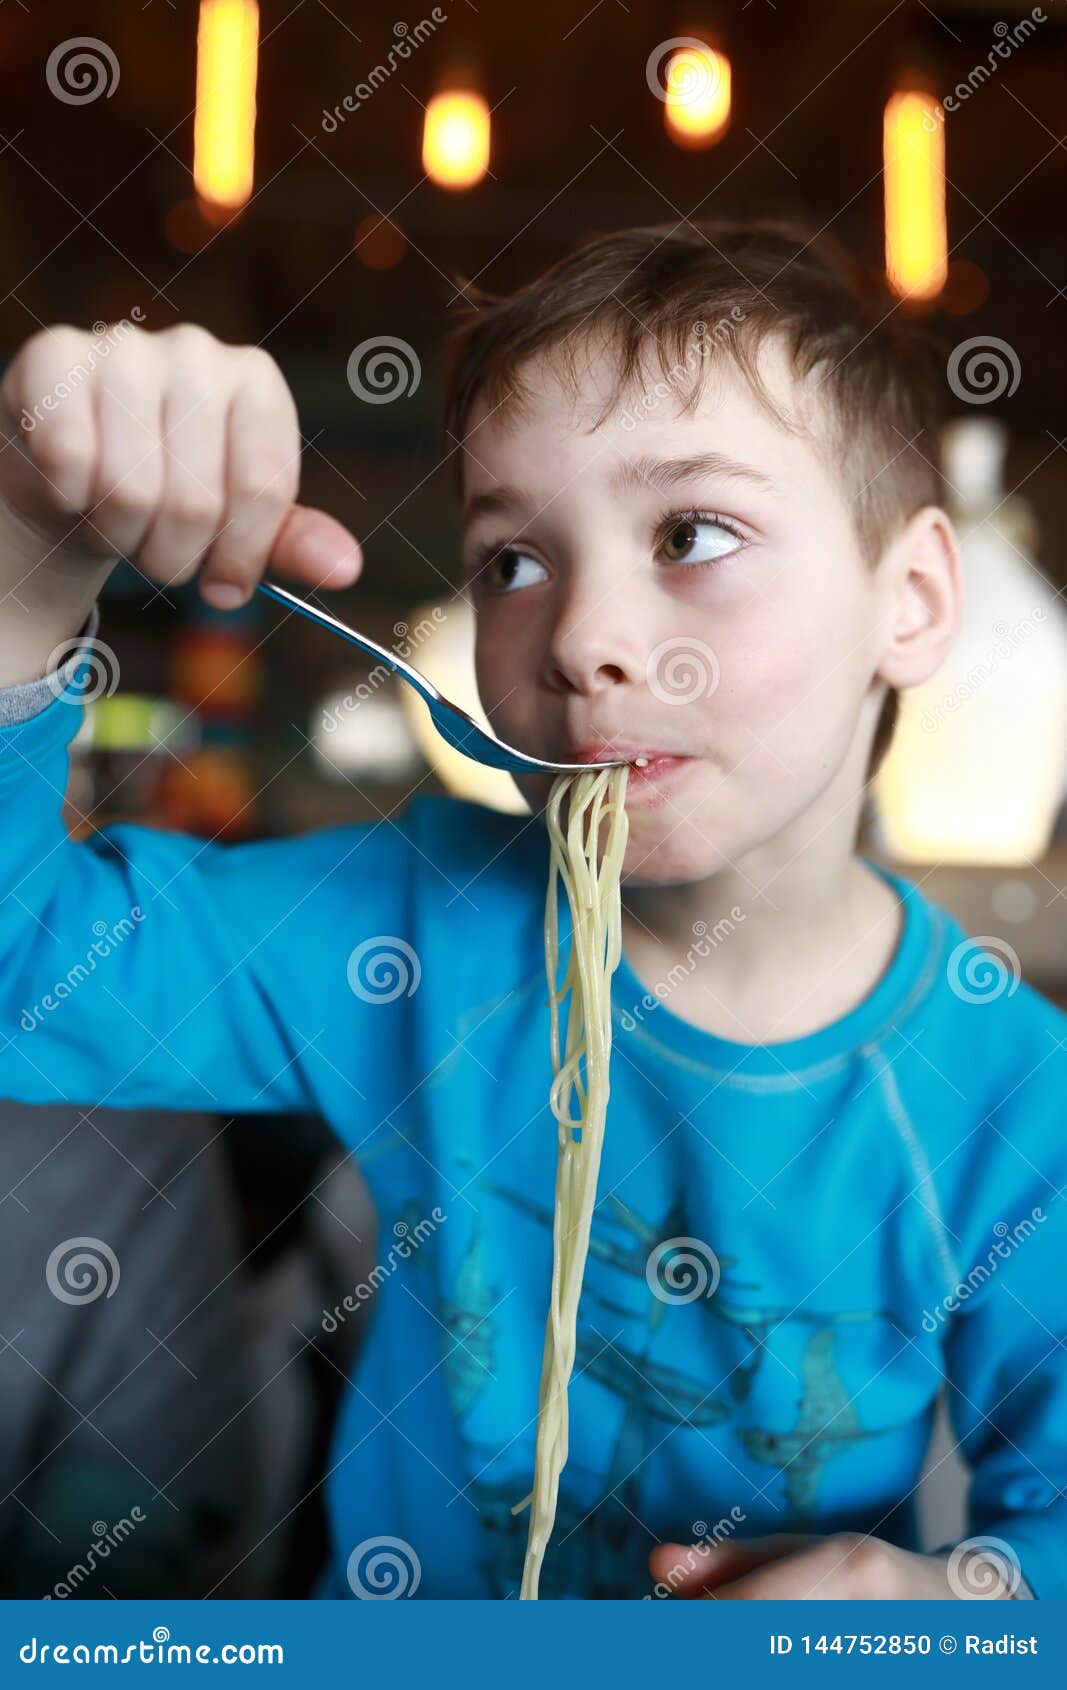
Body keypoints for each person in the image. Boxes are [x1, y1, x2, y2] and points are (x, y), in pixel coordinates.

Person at [0, 219, 1063, 1600]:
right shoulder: (414, 928)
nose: (575, 639)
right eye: (513, 559)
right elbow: (30, 969)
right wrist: (26, 567)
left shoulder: (1013, 1096)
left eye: (693, 531)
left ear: (910, 599)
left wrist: (944, 1597)